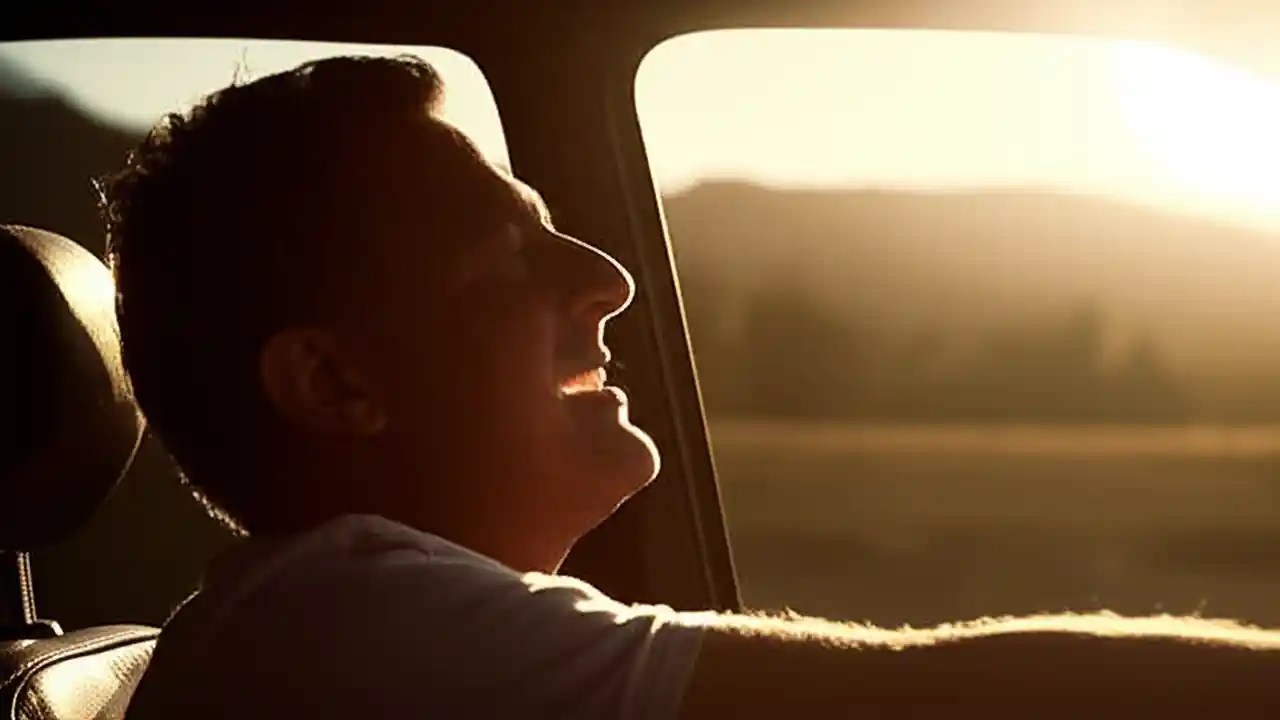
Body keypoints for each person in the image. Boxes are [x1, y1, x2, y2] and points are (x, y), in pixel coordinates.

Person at [105, 55, 1280, 718]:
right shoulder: (345, 633)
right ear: (335, 380)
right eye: (514, 250)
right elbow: (932, 701)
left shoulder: (329, 631)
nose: (606, 279)